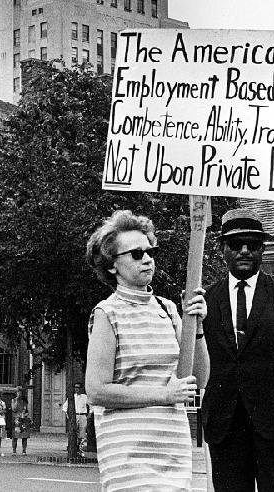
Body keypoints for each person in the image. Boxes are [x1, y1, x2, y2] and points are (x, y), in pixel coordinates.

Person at [85, 210, 208, 491]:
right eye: (136, 254)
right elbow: (96, 390)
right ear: (113, 265)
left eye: (150, 251)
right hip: (129, 458)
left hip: (173, 453)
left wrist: (199, 328)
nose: (148, 259)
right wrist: (164, 394)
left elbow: (198, 380)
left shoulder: (168, 309)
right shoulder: (107, 313)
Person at [201, 208, 274, 492]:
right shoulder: (206, 301)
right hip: (225, 426)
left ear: (262, 249)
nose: (244, 251)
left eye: (252, 244)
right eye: (235, 244)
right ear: (222, 249)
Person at [61, 382, 89, 449]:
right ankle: (72, 447)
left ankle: (80, 447)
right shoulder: (72, 397)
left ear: (81, 388)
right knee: (73, 432)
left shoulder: (85, 397)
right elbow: (64, 407)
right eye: (75, 387)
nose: (77, 389)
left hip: (82, 416)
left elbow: (91, 406)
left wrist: (89, 414)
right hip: (74, 416)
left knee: (82, 432)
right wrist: (67, 415)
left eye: (78, 387)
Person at [11, 390, 32, 455]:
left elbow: (27, 411)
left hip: (24, 420)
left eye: (20, 392)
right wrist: (17, 400)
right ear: (16, 393)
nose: (19, 394)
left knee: (24, 436)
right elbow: (14, 409)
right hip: (16, 420)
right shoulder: (13, 400)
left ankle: (24, 450)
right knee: (15, 436)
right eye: (18, 392)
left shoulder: (24, 401)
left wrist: (26, 414)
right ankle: (14, 451)